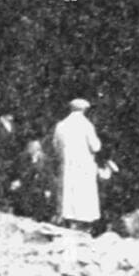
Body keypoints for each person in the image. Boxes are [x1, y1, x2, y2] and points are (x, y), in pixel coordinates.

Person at [49, 98, 102, 230]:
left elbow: (55, 145)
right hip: (83, 165)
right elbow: (95, 146)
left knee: (68, 193)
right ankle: (82, 224)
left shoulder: (61, 125)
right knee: (83, 194)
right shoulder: (87, 125)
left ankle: (68, 221)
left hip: (66, 165)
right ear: (84, 110)